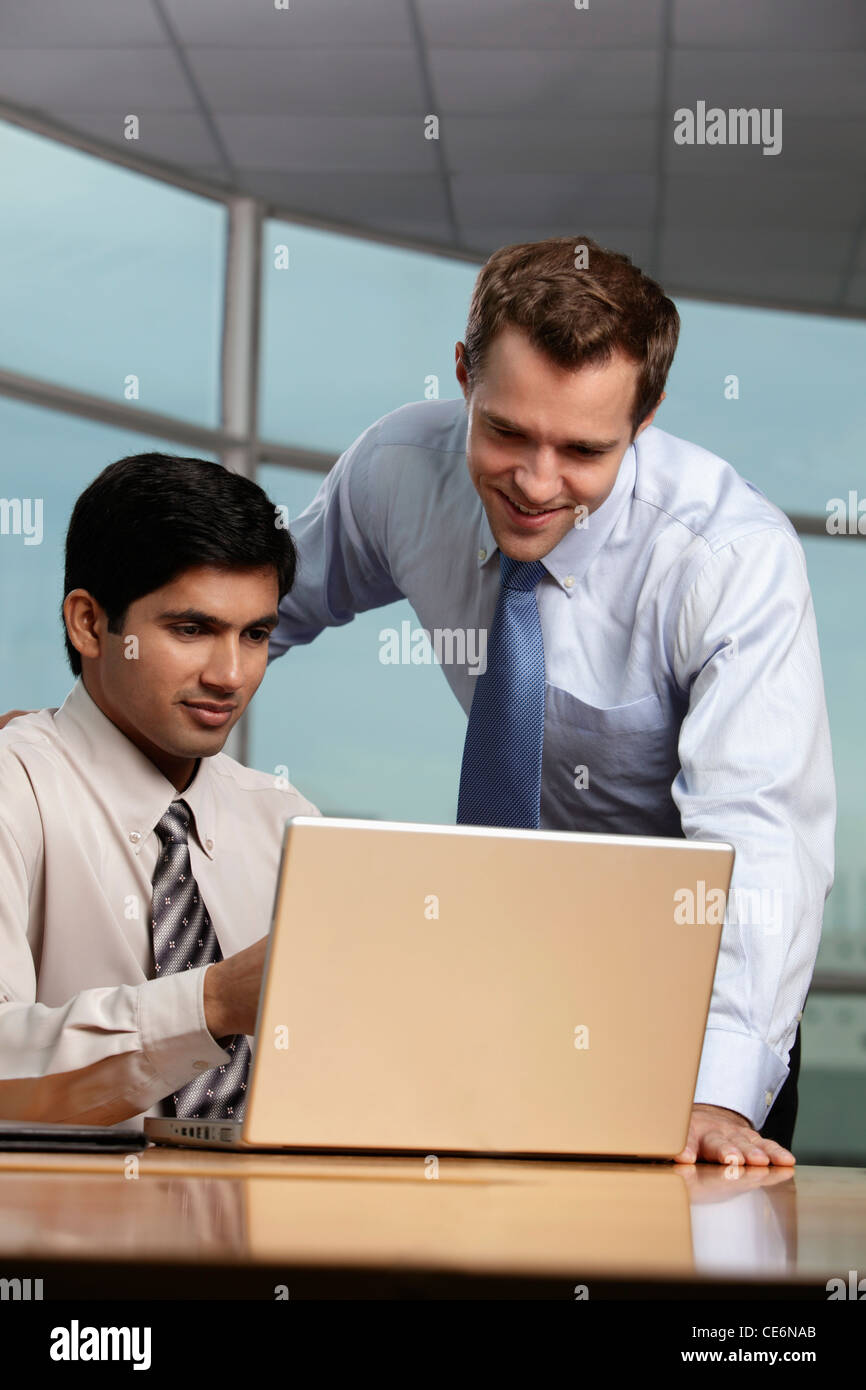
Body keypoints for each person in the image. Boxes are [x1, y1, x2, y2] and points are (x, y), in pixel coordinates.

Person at [265, 235, 836, 1166]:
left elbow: (762, 837)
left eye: (582, 450)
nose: (535, 484)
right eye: (506, 433)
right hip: (504, 959)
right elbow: (251, 606)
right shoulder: (400, 471)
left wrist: (714, 1095)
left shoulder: (728, 559)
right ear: (462, 376)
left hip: (690, 980)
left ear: (644, 417)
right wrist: (82, 738)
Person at [0, 454, 319, 1127]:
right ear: (89, 624)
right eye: (192, 630)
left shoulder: (289, 822)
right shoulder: (15, 789)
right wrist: (213, 1003)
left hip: (280, 1217)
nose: (231, 675)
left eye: (255, 634)